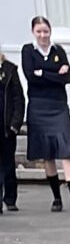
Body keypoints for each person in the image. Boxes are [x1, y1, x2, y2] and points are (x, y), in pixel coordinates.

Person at [22, 18, 70, 214]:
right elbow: (31, 76)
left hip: (58, 106)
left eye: (46, 31)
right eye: (39, 31)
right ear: (33, 32)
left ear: (51, 31)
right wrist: (54, 74)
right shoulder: (28, 51)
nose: (43, 35)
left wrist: (44, 73)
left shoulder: (59, 51)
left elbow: (68, 78)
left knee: (66, 150)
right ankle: (56, 198)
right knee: (47, 153)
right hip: (38, 106)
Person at [0, 46, 20, 213]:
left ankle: (10, 198)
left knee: (8, 163)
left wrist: (15, 124)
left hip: (6, 125)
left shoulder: (10, 69)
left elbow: (18, 98)